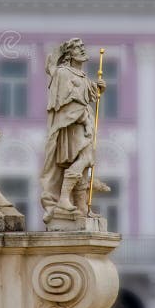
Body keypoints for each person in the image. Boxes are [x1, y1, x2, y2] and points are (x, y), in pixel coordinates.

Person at [40, 38, 106, 224]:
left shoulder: (81, 75)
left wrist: (98, 89)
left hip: (83, 122)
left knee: (85, 163)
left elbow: (88, 95)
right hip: (73, 124)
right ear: (69, 54)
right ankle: (62, 200)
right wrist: (83, 117)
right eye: (78, 48)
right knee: (83, 160)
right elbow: (63, 100)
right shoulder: (63, 73)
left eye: (83, 47)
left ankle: (82, 207)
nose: (83, 50)